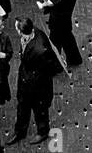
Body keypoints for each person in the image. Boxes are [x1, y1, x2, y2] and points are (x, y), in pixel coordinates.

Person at [9, 17, 61, 145]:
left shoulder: (40, 49)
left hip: (38, 86)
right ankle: (20, 131)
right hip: (25, 80)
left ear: (21, 32)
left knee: (40, 109)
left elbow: (50, 68)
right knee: (22, 107)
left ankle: (42, 132)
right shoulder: (33, 32)